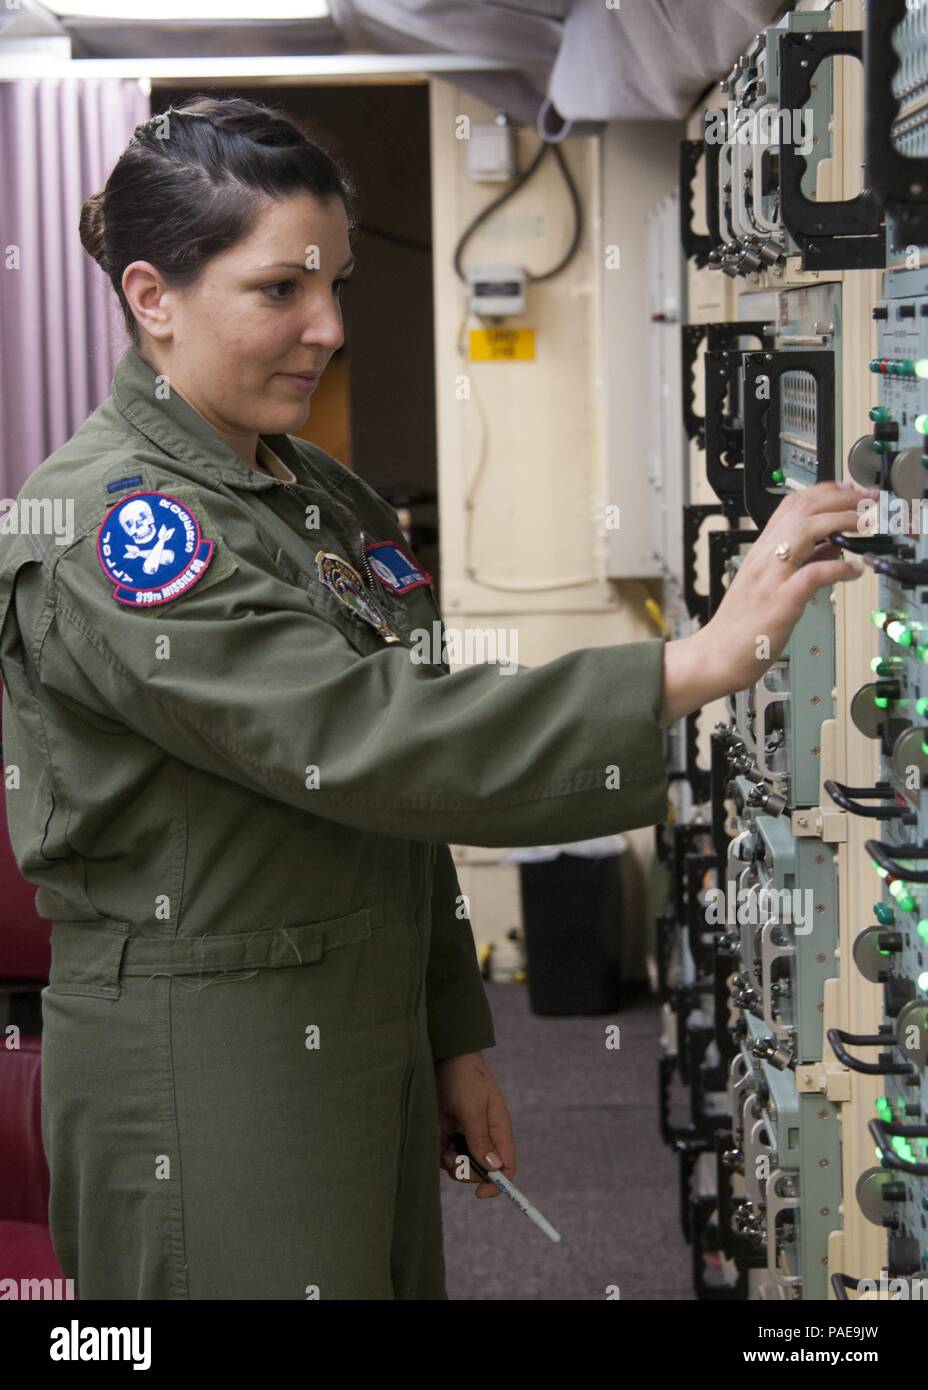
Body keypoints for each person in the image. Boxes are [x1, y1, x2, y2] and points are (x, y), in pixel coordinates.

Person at [0, 94, 875, 1300]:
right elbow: (366, 740)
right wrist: (694, 664)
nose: (326, 328)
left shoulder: (320, 499)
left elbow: (392, 812)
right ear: (153, 298)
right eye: (279, 291)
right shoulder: (119, 529)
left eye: (337, 285)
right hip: (207, 1062)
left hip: (362, 1028)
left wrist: (451, 1031)